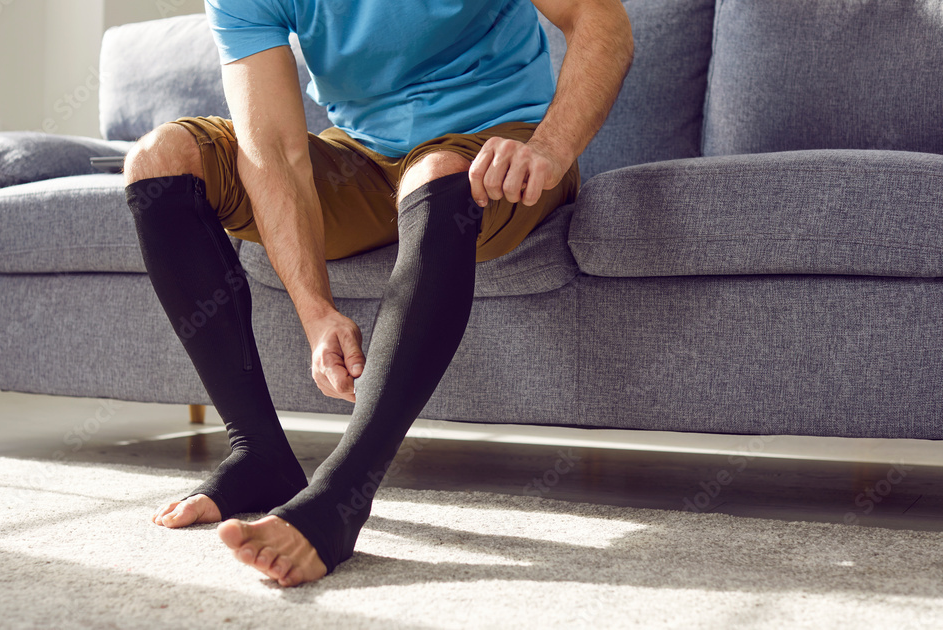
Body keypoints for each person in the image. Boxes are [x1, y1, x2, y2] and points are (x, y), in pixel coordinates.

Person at [122, 0, 633, 587]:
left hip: (498, 150)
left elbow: (601, 20)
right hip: (362, 159)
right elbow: (274, 151)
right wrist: (315, 312)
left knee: (438, 171)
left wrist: (550, 147)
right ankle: (258, 455)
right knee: (158, 159)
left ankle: (340, 499)